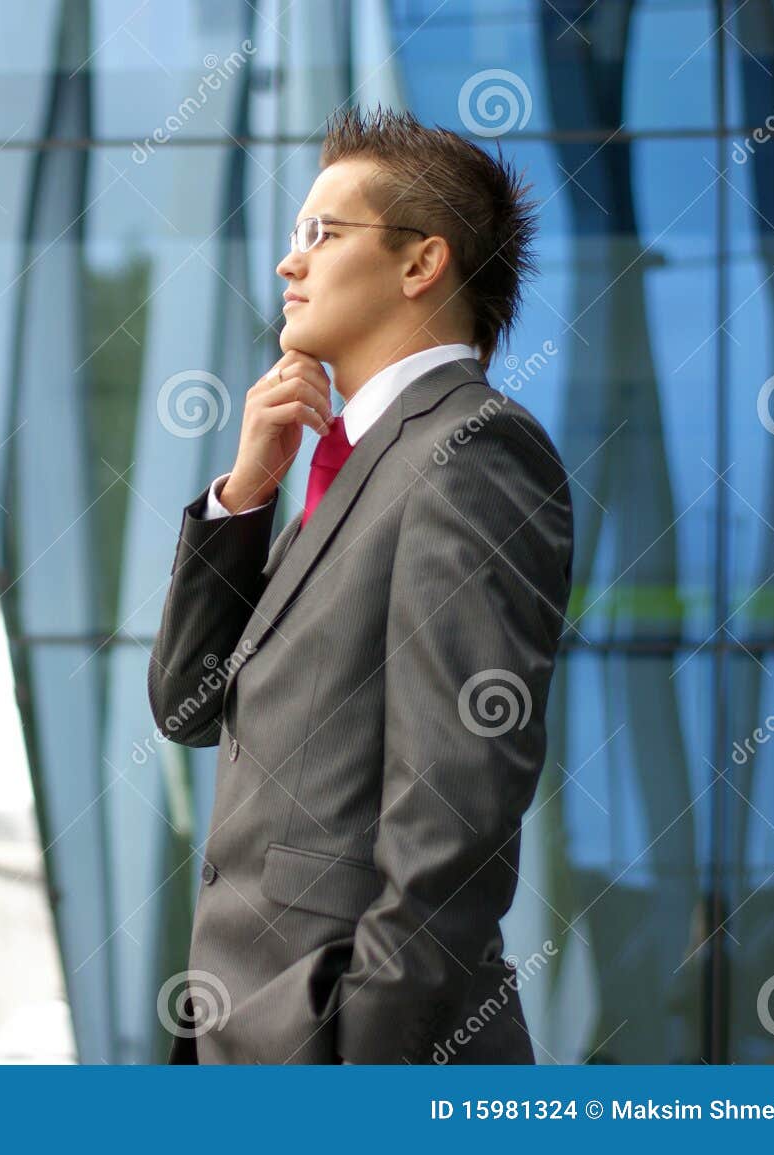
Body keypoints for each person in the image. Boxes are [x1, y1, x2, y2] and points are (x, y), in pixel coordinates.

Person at [149, 105, 574, 1064]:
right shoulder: (352, 466)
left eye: (321, 234)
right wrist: (244, 493)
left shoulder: (470, 451)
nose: (288, 263)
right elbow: (187, 705)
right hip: (244, 1033)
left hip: (346, 1047)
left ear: (421, 263)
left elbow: (453, 818)